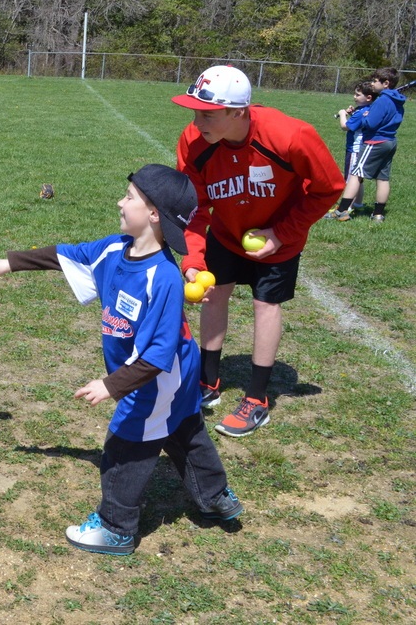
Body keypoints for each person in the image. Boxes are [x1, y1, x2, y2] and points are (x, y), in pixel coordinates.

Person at [0, 164, 243, 556]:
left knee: (125, 444)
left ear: (154, 214)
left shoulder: (164, 278)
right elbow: (66, 255)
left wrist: (111, 385)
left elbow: (156, 354)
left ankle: (117, 527)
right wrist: (11, 263)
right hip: (171, 376)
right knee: (183, 429)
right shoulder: (114, 249)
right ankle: (215, 496)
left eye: (131, 196)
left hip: (156, 377)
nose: (121, 201)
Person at [173, 65, 344, 437]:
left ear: (238, 112)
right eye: (194, 111)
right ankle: (207, 381)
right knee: (214, 294)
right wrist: (192, 261)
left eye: (207, 113)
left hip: (279, 237)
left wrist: (281, 234)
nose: (196, 120)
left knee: (265, 304)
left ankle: (257, 398)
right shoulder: (193, 141)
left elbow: (329, 188)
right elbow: (196, 207)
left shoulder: (290, 135)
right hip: (226, 231)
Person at [326, 67, 406, 223]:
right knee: (383, 178)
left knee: (356, 174)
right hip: (390, 141)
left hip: (375, 142)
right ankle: (378, 214)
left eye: (375, 81)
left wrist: (365, 116)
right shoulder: (398, 100)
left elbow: (370, 123)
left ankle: (342, 211)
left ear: (386, 83)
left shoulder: (382, 100)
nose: (373, 83)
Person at [335, 80, 377, 210]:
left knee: (350, 179)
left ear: (369, 97)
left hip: (354, 149)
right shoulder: (368, 109)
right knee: (358, 178)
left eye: (358, 95)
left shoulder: (360, 113)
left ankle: (347, 207)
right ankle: (358, 203)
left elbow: (345, 126)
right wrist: (352, 112)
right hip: (362, 148)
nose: (354, 97)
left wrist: (343, 114)